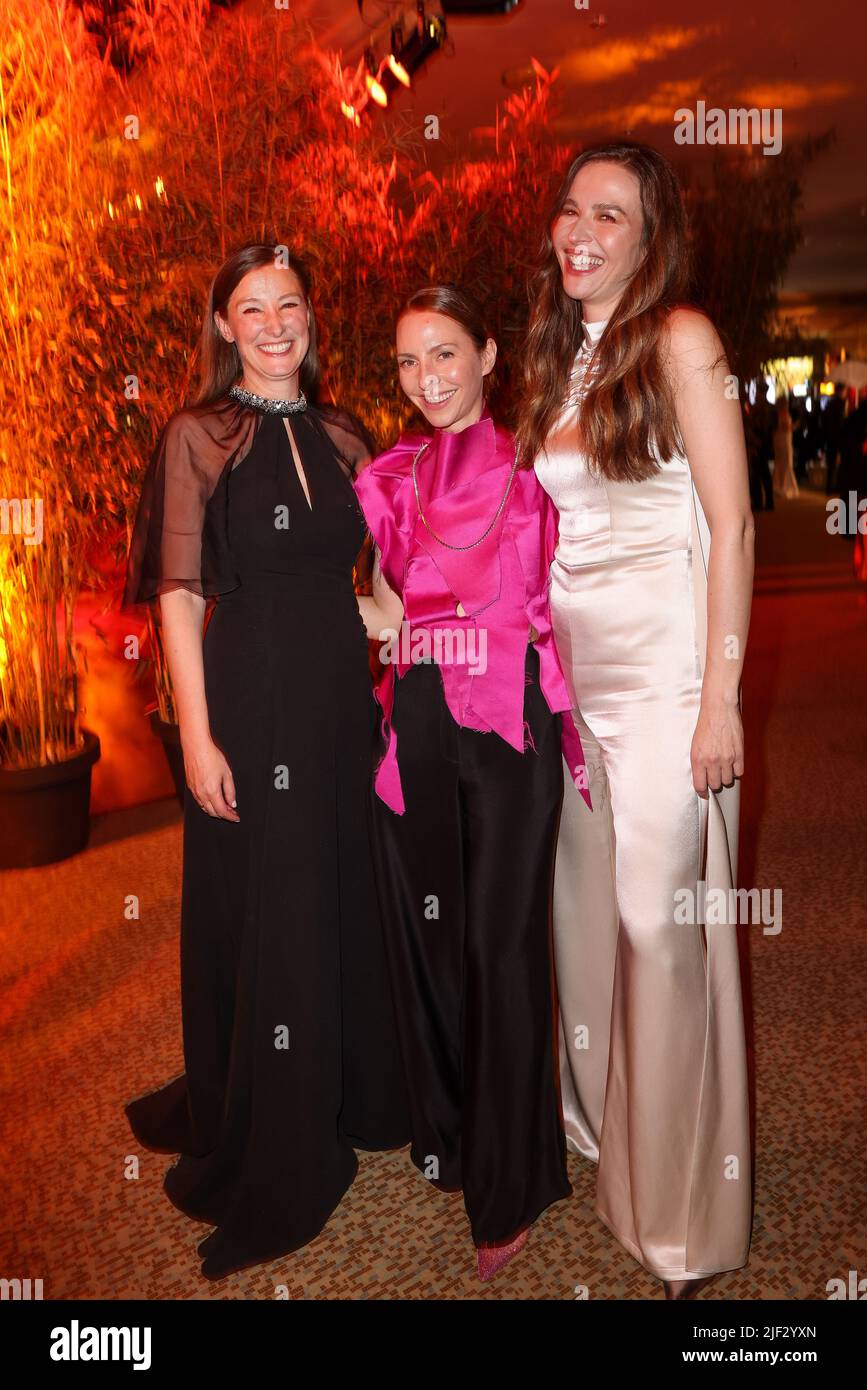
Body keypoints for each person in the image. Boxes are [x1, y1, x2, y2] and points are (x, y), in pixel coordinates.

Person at [121, 243, 409, 1280]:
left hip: (338, 700)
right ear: (224, 327)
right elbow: (179, 599)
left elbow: (367, 583)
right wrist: (196, 734)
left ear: (310, 318)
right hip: (250, 701)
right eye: (253, 308)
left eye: (290, 302)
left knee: (339, 885)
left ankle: (361, 1085)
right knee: (277, 902)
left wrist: (417, 621)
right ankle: (286, 1145)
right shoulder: (198, 435)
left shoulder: (346, 433)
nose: (275, 322)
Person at [518, 142, 754, 1298]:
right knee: (588, 931)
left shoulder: (683, 340)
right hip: (577, 701)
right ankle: (615, 1144)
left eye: (608, 213)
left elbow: (735, 527)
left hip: (667, 695)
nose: (580, 230)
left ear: (650, 234)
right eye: (570, 209)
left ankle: (680, 1212)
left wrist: (721, 697)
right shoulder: (566, 355)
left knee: (664, 943)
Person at [353, 285, 590, 1282]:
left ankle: (512, 1179)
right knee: (431, 934)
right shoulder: (390, 472)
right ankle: (449, 1130)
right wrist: (371, 612)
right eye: (409, 364)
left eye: (444, 355)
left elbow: (588, 587)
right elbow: (385, 599)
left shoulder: (540, 466)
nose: (427, 381)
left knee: (501, 945)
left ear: (489, 354)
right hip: (418, 721)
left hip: (510, 728)